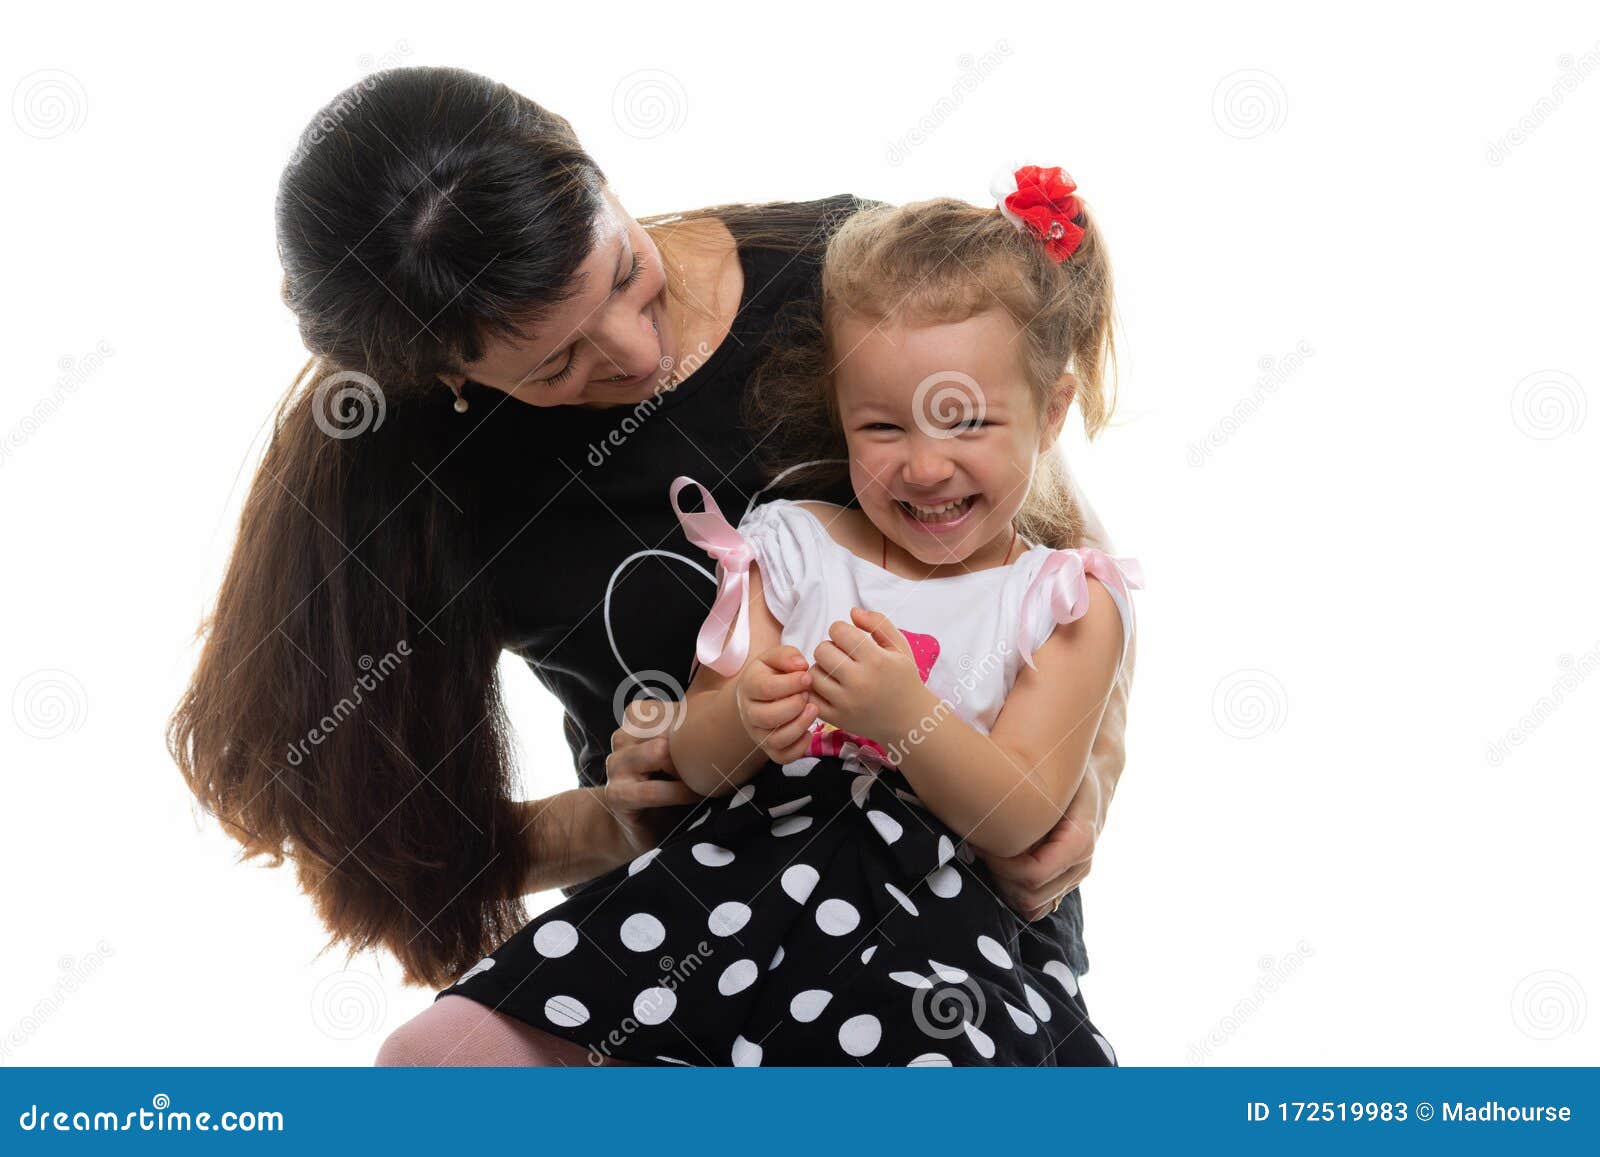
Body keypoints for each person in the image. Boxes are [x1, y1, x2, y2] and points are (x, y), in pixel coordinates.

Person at [165, 64, 1133, 1065]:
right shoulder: (428, 479)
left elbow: (1056, 563)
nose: (631, 351)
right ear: (444, 377)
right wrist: (635, 809)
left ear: (597, 172)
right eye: (553, 364)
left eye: (623, 271)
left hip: (939, 925)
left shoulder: (845, 275)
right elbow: (370, 827)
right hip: (686, 937)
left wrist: (1078, 781)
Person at [424, 173, 1140, 1065]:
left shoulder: (1065, 599)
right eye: (882, 427)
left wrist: (903, 717)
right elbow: (695, 755)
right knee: (443, 1052)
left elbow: (1023, 815)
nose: (923, 466)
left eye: (964, 421)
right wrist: (743, 719)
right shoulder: (792, 542)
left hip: (940, 924)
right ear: (838, 413)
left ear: (1052, 412)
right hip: (729, 899)